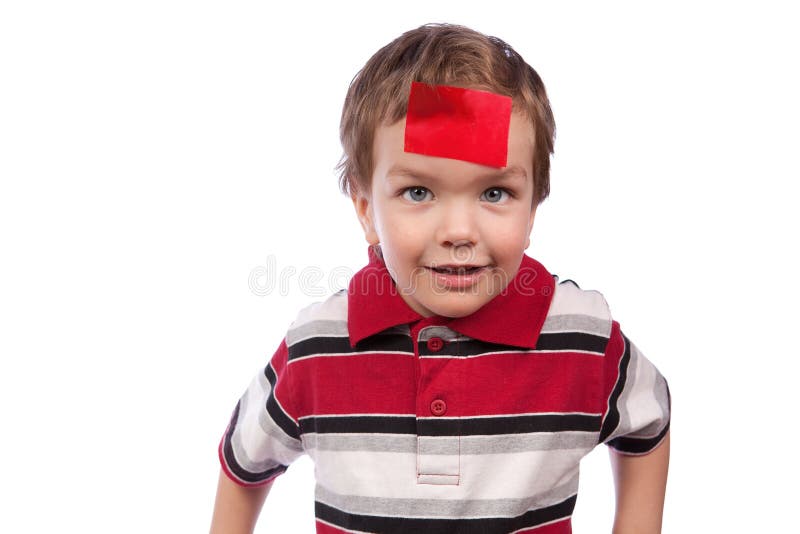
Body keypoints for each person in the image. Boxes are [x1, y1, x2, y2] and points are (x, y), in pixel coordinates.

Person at [210, 22, 670, 534]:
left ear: (534, 208)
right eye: (418, 193)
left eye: (494, 193)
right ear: (366, 209)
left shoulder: (582, 337)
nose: (458, 231)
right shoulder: (315, 347)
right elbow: (244, 460)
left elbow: (647, 418)